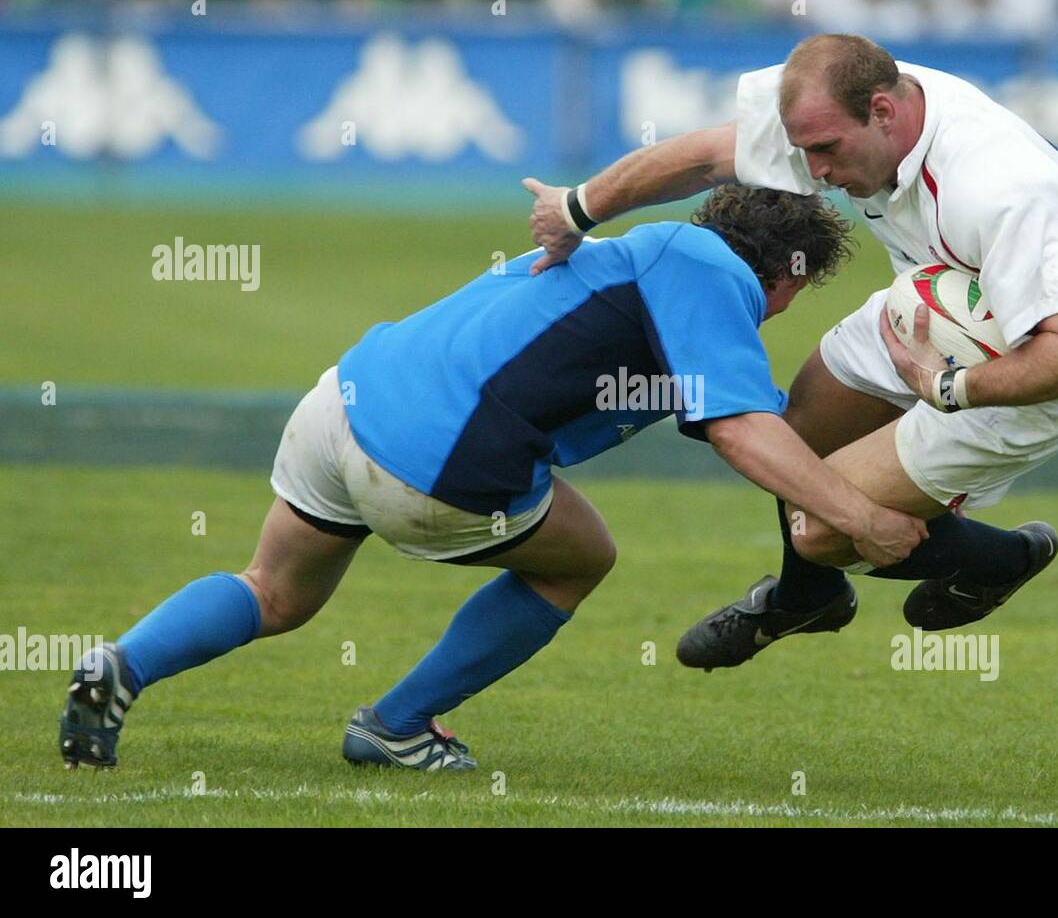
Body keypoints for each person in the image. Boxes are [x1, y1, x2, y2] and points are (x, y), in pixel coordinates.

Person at [58, 186, 928, 772]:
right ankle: (394, 728)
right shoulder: (710, 272)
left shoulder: (640, 261)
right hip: (435, 458)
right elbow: (742, 430)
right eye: (794, 293)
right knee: (579, 556)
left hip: (345, 401)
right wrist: (862, 516)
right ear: (787, 274)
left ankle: (120, 663)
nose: (776, 310)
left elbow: (749, 411)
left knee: (276, 593)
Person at [523, 33, 1058, 671]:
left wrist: (948, 389)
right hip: (926, 309)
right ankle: (807, 599)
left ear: (883, 112)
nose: (814, 174)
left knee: (820, 529)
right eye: (803, 150)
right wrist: (577, 208)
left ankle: (1002, 560)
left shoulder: (1007, 187)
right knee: (794, 443)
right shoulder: (837, 108)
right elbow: (707, 157)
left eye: (826, 151)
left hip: (1031, 372)